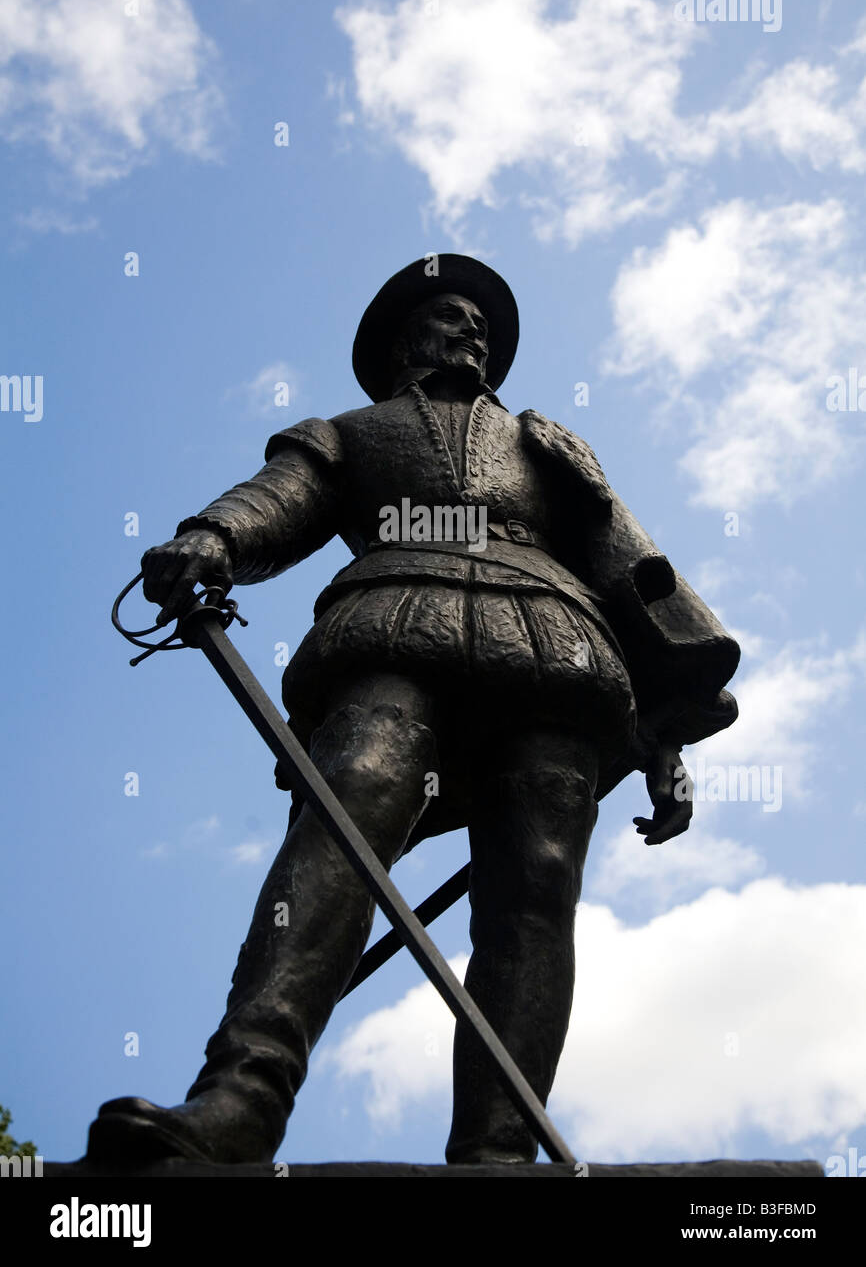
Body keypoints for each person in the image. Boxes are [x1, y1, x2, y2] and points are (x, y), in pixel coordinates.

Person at [87, 254, 739, 1166]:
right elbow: (280, 500)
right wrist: (213, 534)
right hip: (395, 625)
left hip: (555, 648)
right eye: (447, 316)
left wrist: (666, 732)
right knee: (347, 813)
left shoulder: (549, 446)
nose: (469, 332)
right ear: (402, 343)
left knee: (537, 882)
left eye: (480, 324)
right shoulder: (349, 432)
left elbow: (627, 572)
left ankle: (500, 1148)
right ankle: (239, 1102)